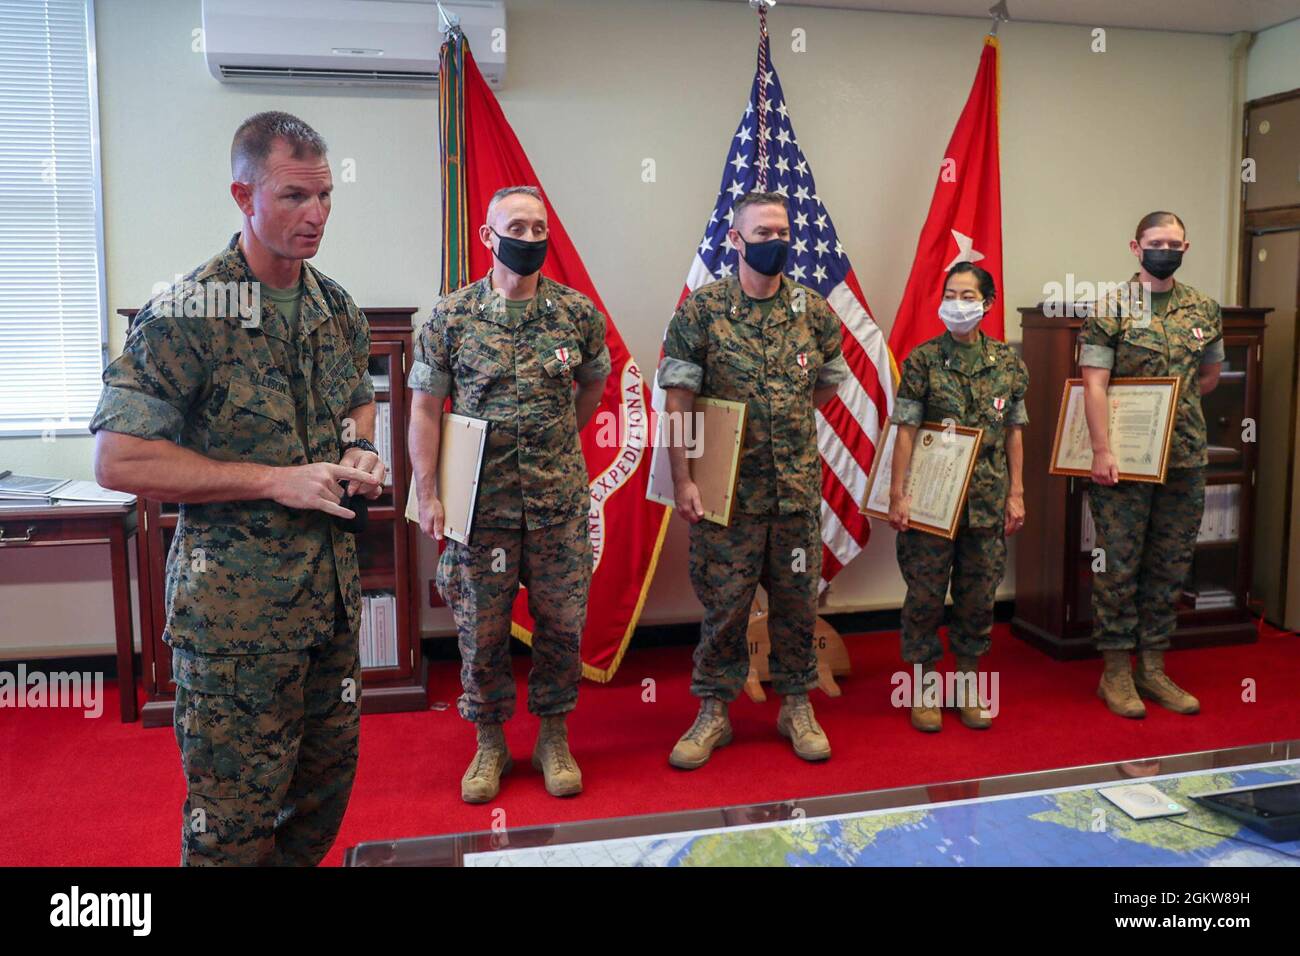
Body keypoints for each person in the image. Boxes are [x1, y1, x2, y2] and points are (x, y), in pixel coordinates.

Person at [90, 111, 384, 865]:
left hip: (329, 608)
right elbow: (119, 460)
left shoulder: (336, 306)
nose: (315, 214)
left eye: (324, 197)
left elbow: (357, 398)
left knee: (321, 801)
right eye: (293, 197)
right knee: (231, 827)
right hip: (235, 627)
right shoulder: (188, 313)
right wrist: (272, 481)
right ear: (243, 195)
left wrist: (361, 450)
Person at [408, 186, 610, 803]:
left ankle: (553, 737)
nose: (528, 238)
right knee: (482, 632)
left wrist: (549, 447)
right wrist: (428, 491)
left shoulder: (576, 314)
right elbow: (423, 410)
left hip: (557, 509)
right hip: (481, 511)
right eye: (514, 227)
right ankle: (490, 743)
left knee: (561, 627)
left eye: (537, 226)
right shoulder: (451, 317)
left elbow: (591, 391)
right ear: (487, 237)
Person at [657, 191, 850, 769]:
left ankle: (796, 705)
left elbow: (828, 383)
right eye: (762, 233)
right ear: (735, 241)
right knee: (725, 605)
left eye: (783, 232)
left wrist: (780, 421)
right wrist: (685, 480)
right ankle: (714, 711)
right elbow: (680, 401)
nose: (776, 243)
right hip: (727, 496)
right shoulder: (703, 311)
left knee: (796, 603)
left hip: (793, 493)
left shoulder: (812, 311)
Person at [1079, 211, 1222, 718]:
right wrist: (1102, 449)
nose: (1165, 249)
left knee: (1171, 562)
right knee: (1119, 564)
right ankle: (1115, 671)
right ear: (1135, 248)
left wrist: (1169, 407)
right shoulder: (1110, 308)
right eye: (1155, 241)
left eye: (1174, 242)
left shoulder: (1203, 308)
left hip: (1183, 456)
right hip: (1125, 460)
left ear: (1187, 247)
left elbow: (1209, 375)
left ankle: (1154, 667)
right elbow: (1094, 382)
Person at [889, 262, 1028, 732]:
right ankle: (923, 688)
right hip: (931, 498)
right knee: (925, 595)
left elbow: (1013, 433)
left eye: (968, 295)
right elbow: (905, 432)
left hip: (986, 500)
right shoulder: (922, 360)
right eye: (951, 293)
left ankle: (967, 683)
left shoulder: (1007, 364)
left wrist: (1017, 493)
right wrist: (898, 493)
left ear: (987, 303)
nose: (957, 302)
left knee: (978, 596)